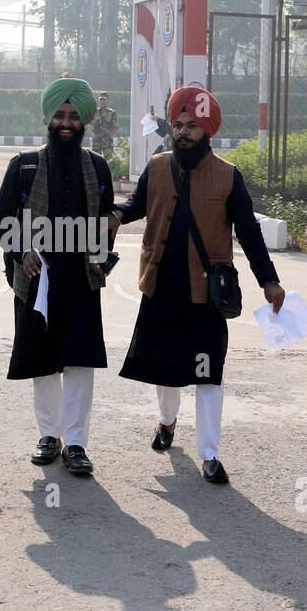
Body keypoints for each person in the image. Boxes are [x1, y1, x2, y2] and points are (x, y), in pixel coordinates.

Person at [109, 86, 285, 485]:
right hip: (160, 286)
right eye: (178, 125)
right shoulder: (157, 167)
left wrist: (269, 281)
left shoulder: (227, 175)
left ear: (208, 130)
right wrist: (116, 216)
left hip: (206, 295)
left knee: (208, 375)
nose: (184, 132)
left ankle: (209, 454)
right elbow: (136, 205)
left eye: (192, 126)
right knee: (165, 370)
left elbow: (250, 233)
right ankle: (167, 422)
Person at [0, 78, 115, 476]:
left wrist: (102, 260)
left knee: (79, 361)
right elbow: (0, 220)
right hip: (35, 279)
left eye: (74, 116)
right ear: (48, 117)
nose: (66, 122)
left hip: (80, 280)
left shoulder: (97, 166)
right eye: (60, 115)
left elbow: (105, 226)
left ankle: (76, 443)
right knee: (43, 360)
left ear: (85, 122)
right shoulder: (24, 165)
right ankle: (50, 435)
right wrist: (20, 250)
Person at [90, 91, 118, 157]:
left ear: (107, 100)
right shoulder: (94, 112)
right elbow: (89, 124)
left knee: (109, 162)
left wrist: (107, 136)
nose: (102, 101)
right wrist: (94, 131)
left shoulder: (112, 113)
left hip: (107, 142)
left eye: (104, 99)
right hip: (96, 142)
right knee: (95, 161)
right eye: (101, 99)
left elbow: (115, 127)